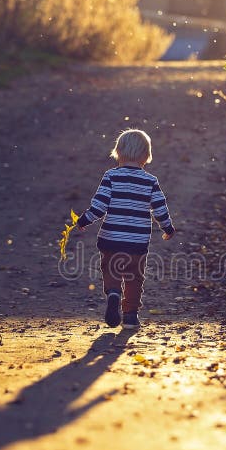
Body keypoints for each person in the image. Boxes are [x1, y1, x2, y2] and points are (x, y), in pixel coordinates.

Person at [76, 129, 175, 328]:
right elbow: (160, 208)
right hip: (137, 242)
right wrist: (168, 227)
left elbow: (100, 204)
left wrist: (84, 220)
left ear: (118, 152)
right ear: (146, 156)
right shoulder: (150, 181)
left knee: (111, 270)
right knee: (134, 277)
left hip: (111, 239)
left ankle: (113, 292)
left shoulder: (111, 176)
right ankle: (130, 315)